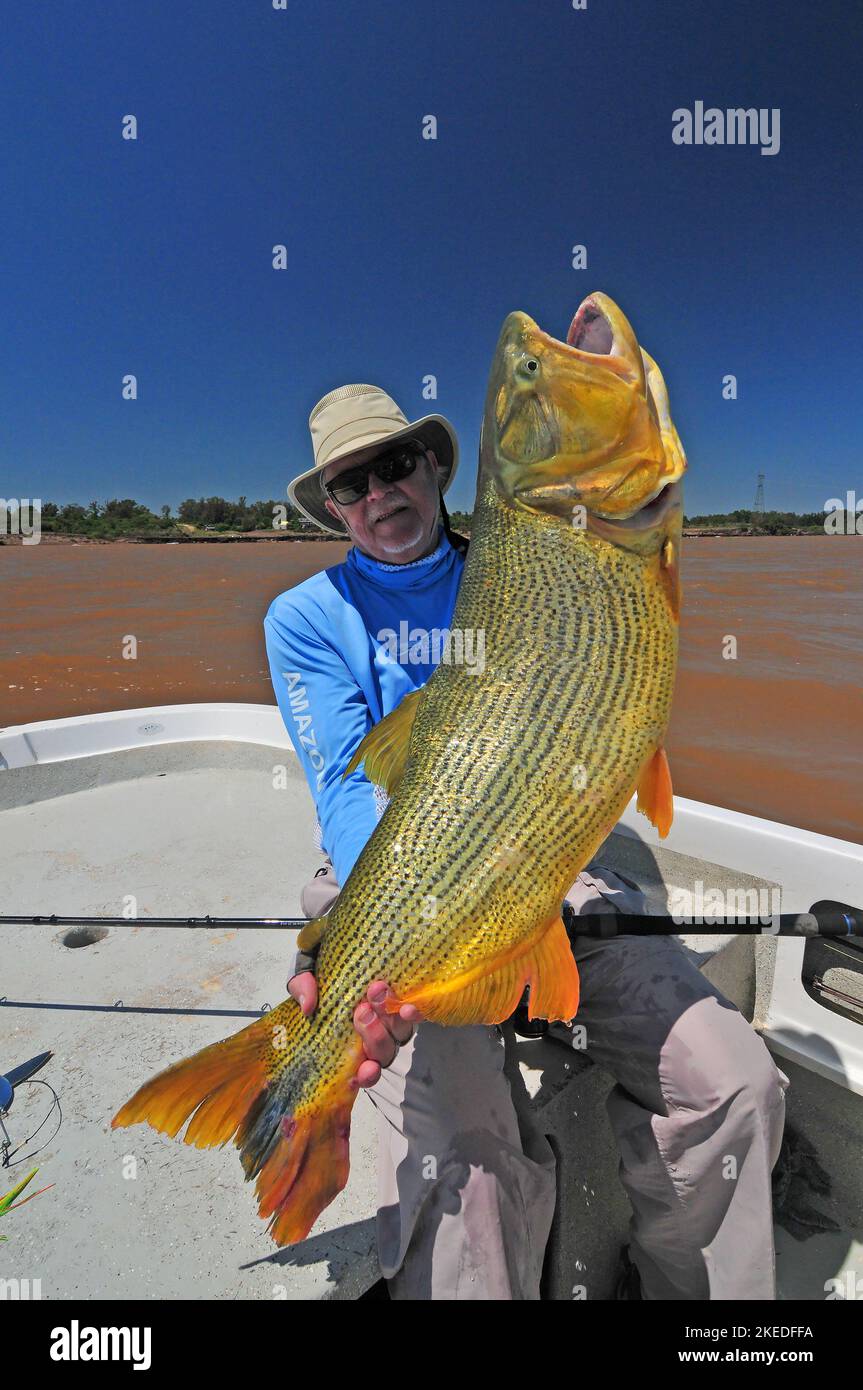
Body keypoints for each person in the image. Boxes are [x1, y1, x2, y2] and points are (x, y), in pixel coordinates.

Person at [264, 382, 788, 1300]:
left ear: (434, 468)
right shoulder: (306, 618)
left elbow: (617, 663)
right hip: (389, 883)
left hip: (553, 859)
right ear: (333, 508)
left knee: (735, 1082)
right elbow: (346, 784)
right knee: (463, 1158)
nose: (380, 493)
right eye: (352, 485)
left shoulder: (529, 562)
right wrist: (388, 939)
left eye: (395, 465)